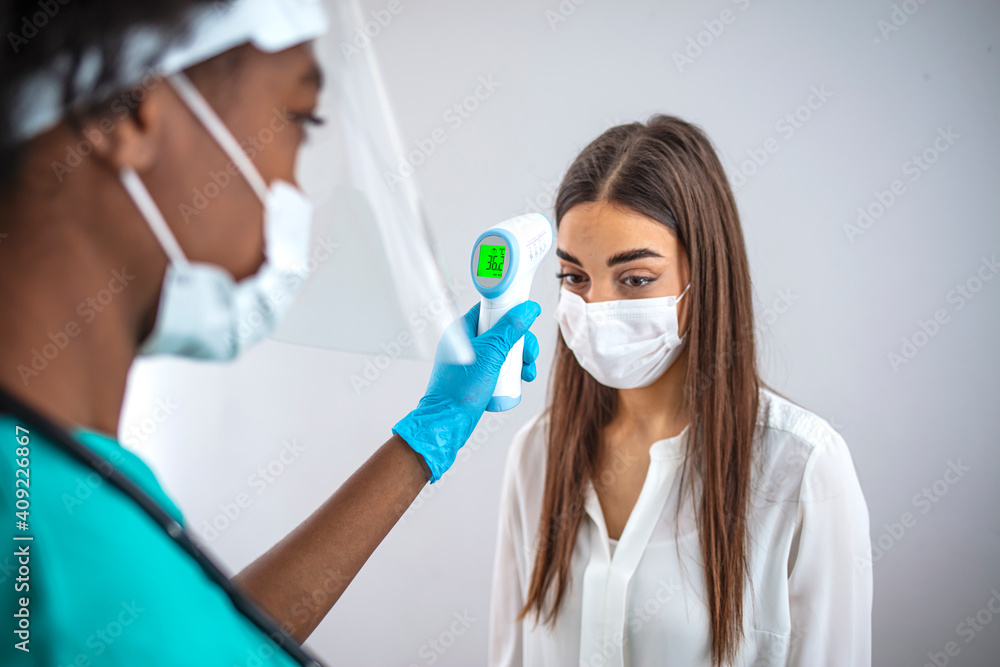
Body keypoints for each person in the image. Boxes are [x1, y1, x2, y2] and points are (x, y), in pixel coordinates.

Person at [0, 1, 540, 664]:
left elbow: (204, 639)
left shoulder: (64, 486)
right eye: (298, 118)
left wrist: (430, 433)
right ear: (132, 111)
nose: (290, 187)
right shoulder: (39, 523)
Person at [488, 115, 872, 666]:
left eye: (636, 279)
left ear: (705, 274)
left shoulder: (803, 469)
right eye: (574, 277)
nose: (596, 308)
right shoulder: (537, 455)